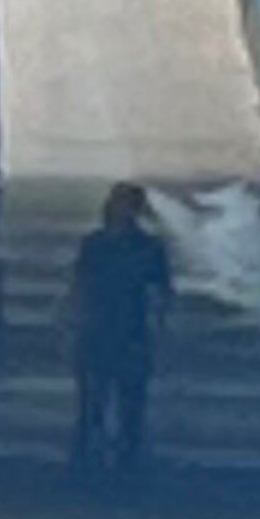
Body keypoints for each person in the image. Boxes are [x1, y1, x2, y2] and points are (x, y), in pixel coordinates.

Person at [68, 181, 173, 474]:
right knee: (95, 401)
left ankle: (117, 455)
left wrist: (158, 324)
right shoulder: (99, 245)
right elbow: (80, 285)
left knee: (126, 402)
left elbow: (160, 292)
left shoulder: (141, 248)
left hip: (126, 330)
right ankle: (92, 454)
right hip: (104, 328)